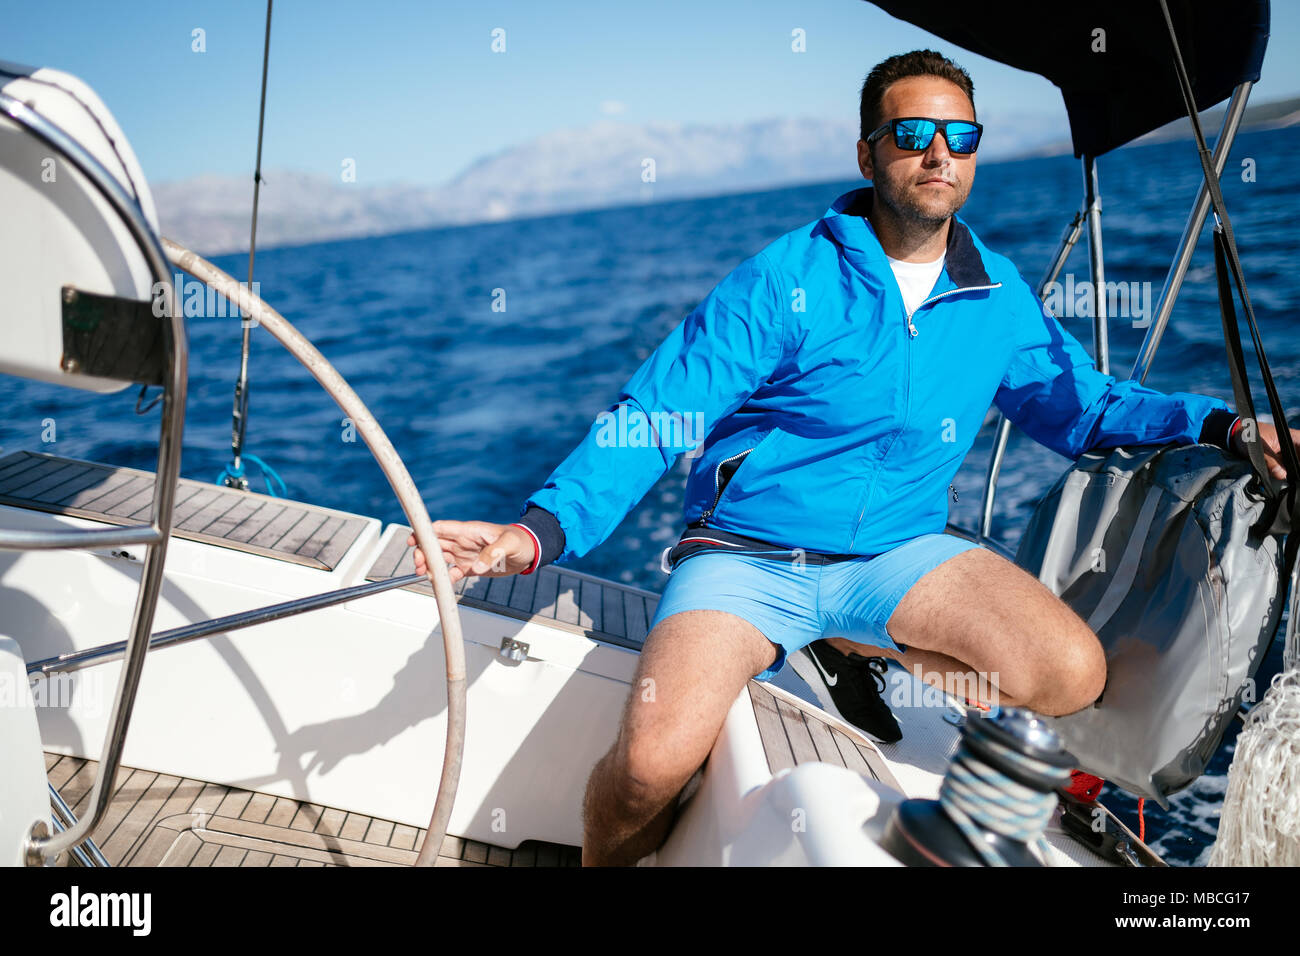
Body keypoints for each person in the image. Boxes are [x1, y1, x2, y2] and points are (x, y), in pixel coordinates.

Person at [412, 50, 1300, 866]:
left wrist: (1226, 428)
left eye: (960, 137)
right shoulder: (784, 278)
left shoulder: (994, 294)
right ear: (870, 153)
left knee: (1070, 673)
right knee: (649, 765)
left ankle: (847, 638)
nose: (938, 154)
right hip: (749, 560)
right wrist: (536, 534)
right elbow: (658, 413)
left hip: (897, 555)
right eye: (913, 135)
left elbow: (1085, 405)